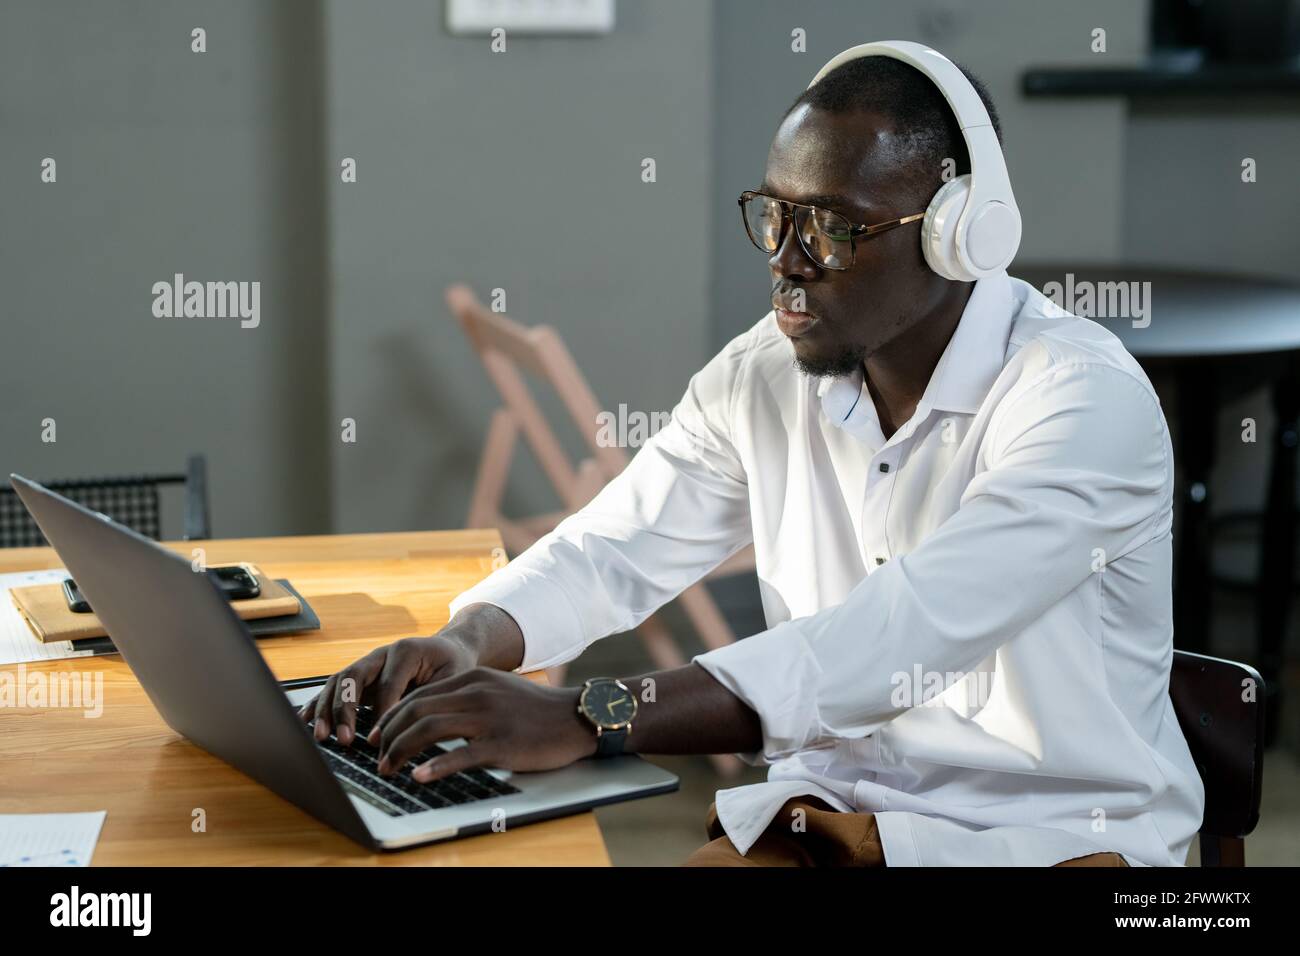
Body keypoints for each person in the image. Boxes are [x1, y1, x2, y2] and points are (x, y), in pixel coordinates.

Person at [301, 42, 1204, 867]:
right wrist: (469, 640)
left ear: (960, 232)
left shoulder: (1081, 406)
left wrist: (591, 714)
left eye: (836, 228)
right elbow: (615, 545)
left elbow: (889, 637)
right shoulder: (765, 373)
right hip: (844, 819)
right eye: (774, 215)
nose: (787, 260)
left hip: (1051, 845)